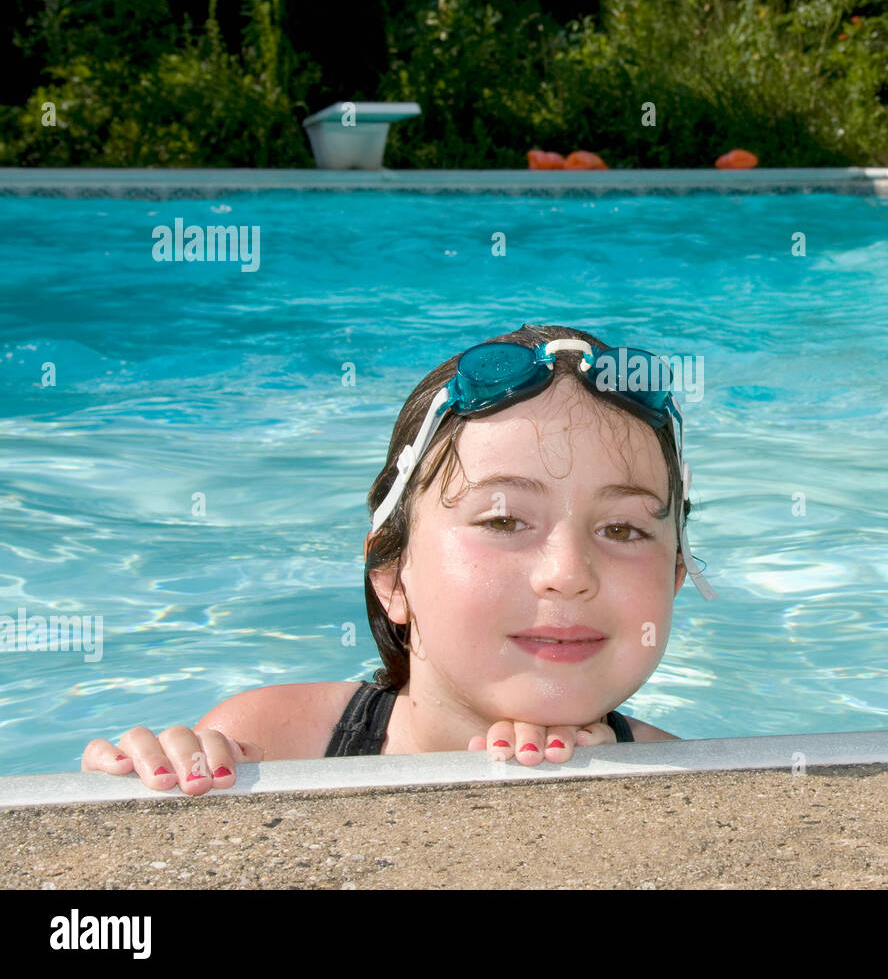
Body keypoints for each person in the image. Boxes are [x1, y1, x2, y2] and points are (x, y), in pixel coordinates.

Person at [81, 324, 716, 796]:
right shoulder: (269, 745)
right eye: (502, 520)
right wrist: (150, 782)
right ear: (391, 576)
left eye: (623, 530)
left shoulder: (705, 781)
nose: (568, 572)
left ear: (676, 575)